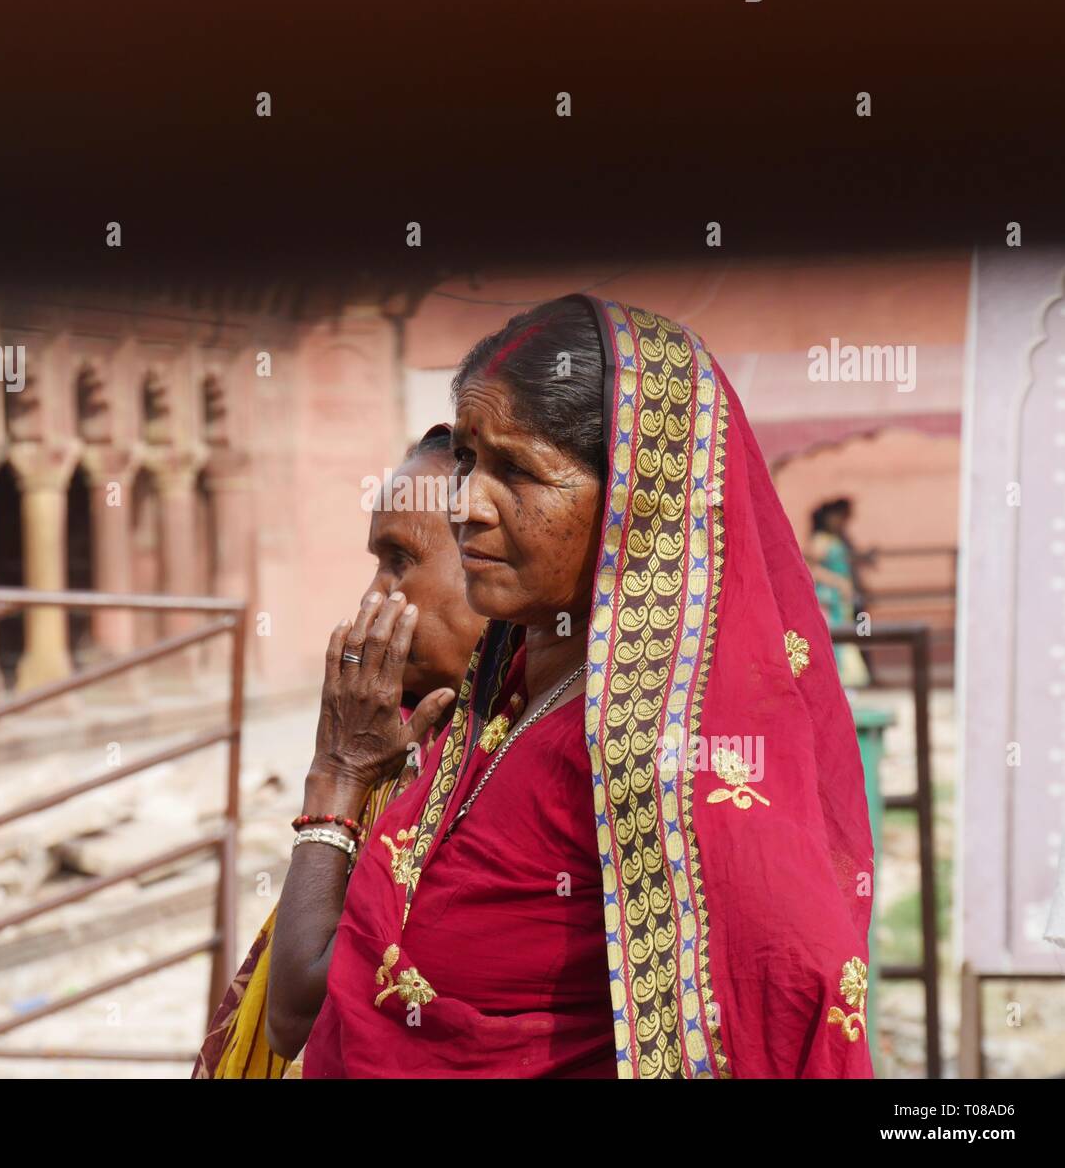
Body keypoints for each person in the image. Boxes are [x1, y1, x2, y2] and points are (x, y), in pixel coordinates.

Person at [299, 294, 876, 1078]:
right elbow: (333, 990)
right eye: (467, 460)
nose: (464, 504)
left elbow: (783, 992)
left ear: (639, 503)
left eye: (516, 471)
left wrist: (334, 779)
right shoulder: (494, 704)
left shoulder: (665, 760)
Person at [193, 425, 485, 1077]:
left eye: (400, 559)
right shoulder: (413, 744)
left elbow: (296, 1015)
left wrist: (336, 774)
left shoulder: (507, 766)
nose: (373, 597)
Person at [806, 498, 872, 689]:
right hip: (829, 600)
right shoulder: (820, 541)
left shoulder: (837, 538)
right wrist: (839, 583)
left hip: (841, 601)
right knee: (836, 641)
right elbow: (811, 568)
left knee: (852, 635)